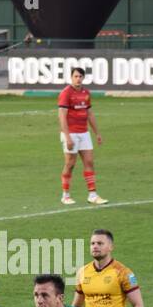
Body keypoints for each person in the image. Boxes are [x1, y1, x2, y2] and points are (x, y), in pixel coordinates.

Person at [58, 66, 106, 205]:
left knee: (89, 162)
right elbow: (62, 116)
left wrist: (97, 133)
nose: (78, 79)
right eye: (75, 76)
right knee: (70, 163)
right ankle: (65, 195)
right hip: (71, 133)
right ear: (71, 77)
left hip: (84, 133)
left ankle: (92, 195)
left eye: (80, 76)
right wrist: (67, 137)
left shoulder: (86, 92)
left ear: (83, 78)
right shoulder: (66, 93)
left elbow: (90, 113)